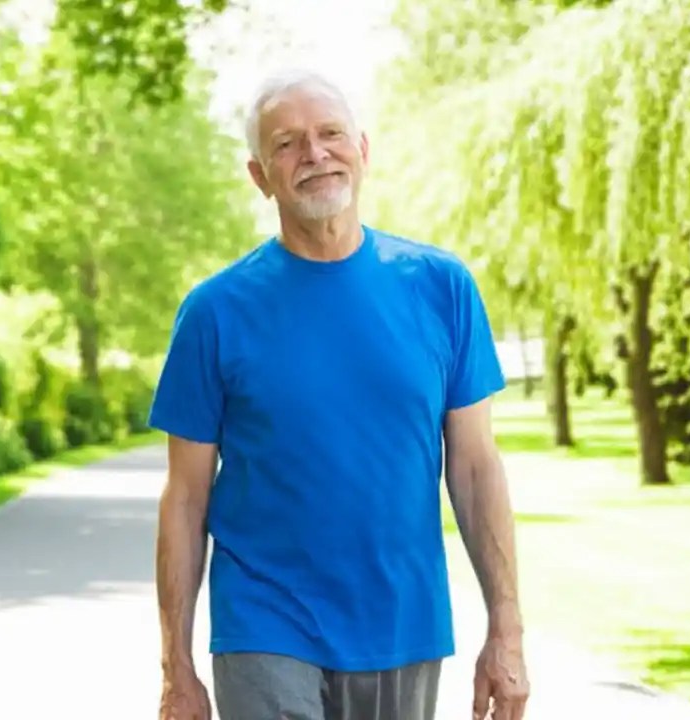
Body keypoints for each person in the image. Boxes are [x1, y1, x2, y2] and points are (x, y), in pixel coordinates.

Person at [149, 68, 530, 720]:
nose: (314, 154)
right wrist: (175, 667)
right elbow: (186, 494)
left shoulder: (442, 289)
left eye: (330, 134)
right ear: (259, 175)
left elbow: (473, 466)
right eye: (287, 143)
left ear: (363, 150)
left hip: (403, 623)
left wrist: (507, 630)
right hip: (263, 623)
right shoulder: (215, 313)